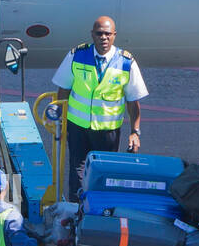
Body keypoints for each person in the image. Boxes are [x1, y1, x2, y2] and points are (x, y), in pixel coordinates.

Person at [49, 16, 149, 199]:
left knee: (104, 174)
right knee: (77, 174)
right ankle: (76, 211)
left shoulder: (126, 63)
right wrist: (61, 122)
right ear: (92, 35)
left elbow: (133, 102)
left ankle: (99, 212)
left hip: (107, 132)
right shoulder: (76, 55)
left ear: (114, 36)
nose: (103, 38)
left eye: (108, 34)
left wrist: (135, 132)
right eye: (99, 33)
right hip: (77, 127)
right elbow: (63, 89)